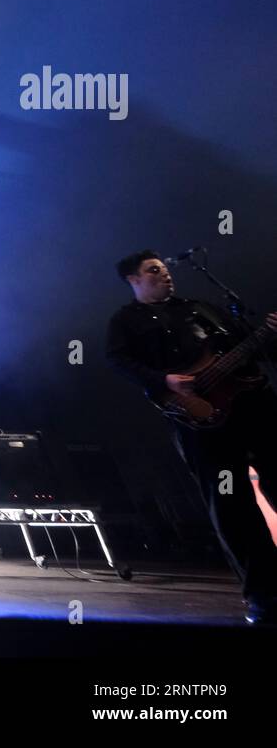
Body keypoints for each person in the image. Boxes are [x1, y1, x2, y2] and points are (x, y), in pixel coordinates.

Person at [106, 249, 277, 625]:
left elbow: (248, 346)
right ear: (134, 280)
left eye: (165, 269)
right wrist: (164, 380)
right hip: (199, 418)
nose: (165, 274)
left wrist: (268, 335)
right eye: (154, 270)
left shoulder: (202, 308)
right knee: (232, 505)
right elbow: (118, 361)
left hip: (252, 405)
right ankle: (266, 596)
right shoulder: (125, 321)